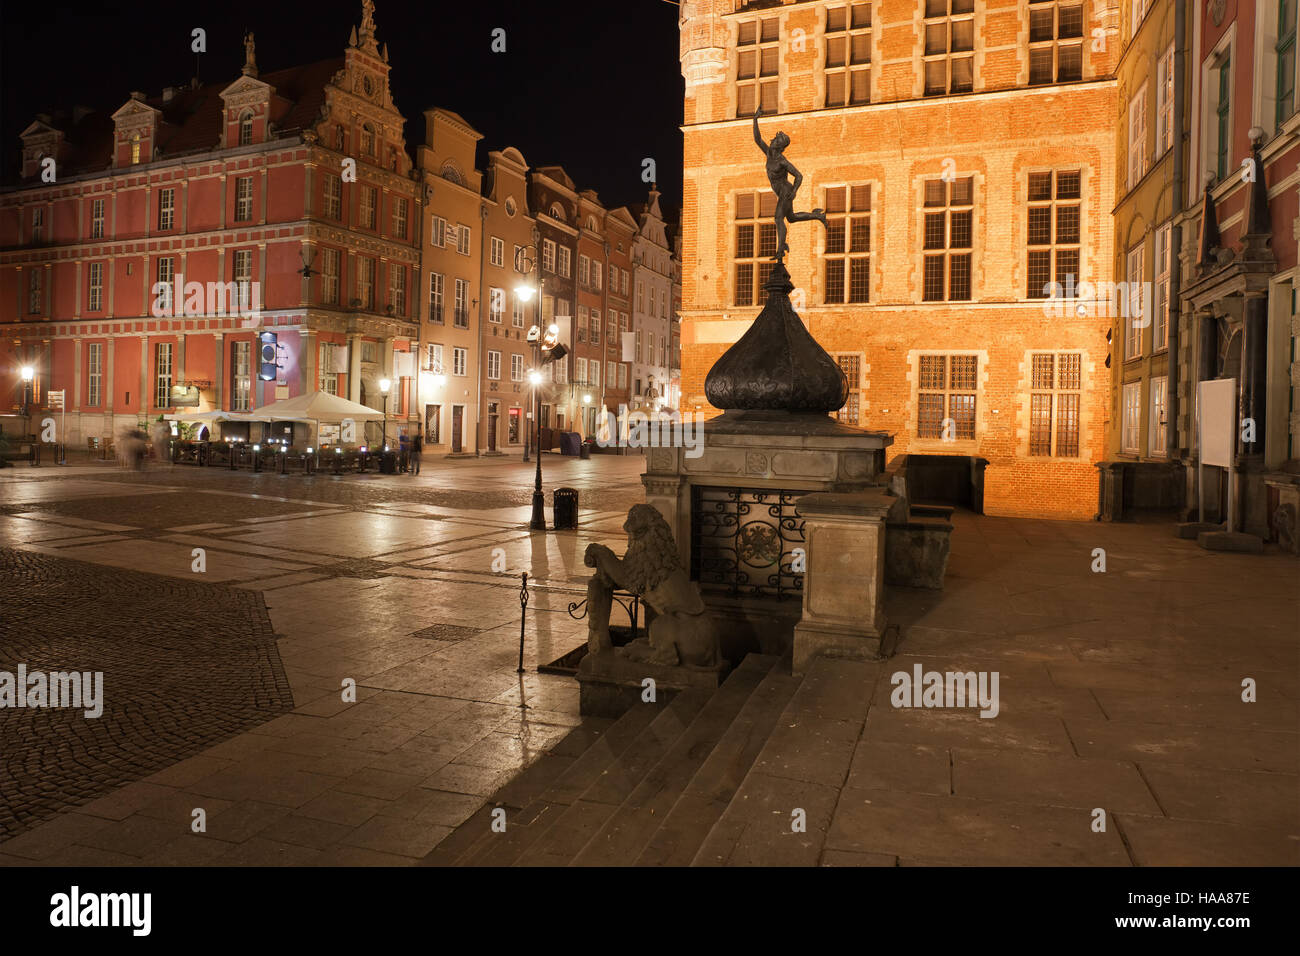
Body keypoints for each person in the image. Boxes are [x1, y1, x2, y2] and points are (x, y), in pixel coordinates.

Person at [753, 107, 828, 262]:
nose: (772, 140)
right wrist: (755, 119)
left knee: (778, 219)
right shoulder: (769, 154)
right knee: (792, 218)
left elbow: (798, 175)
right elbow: (757, 139)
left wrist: (793, 191)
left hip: (785, 191)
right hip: (781, 192)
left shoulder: (781, 160)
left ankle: (780, 250)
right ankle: (817, 215)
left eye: (776, 140)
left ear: (779, 146)